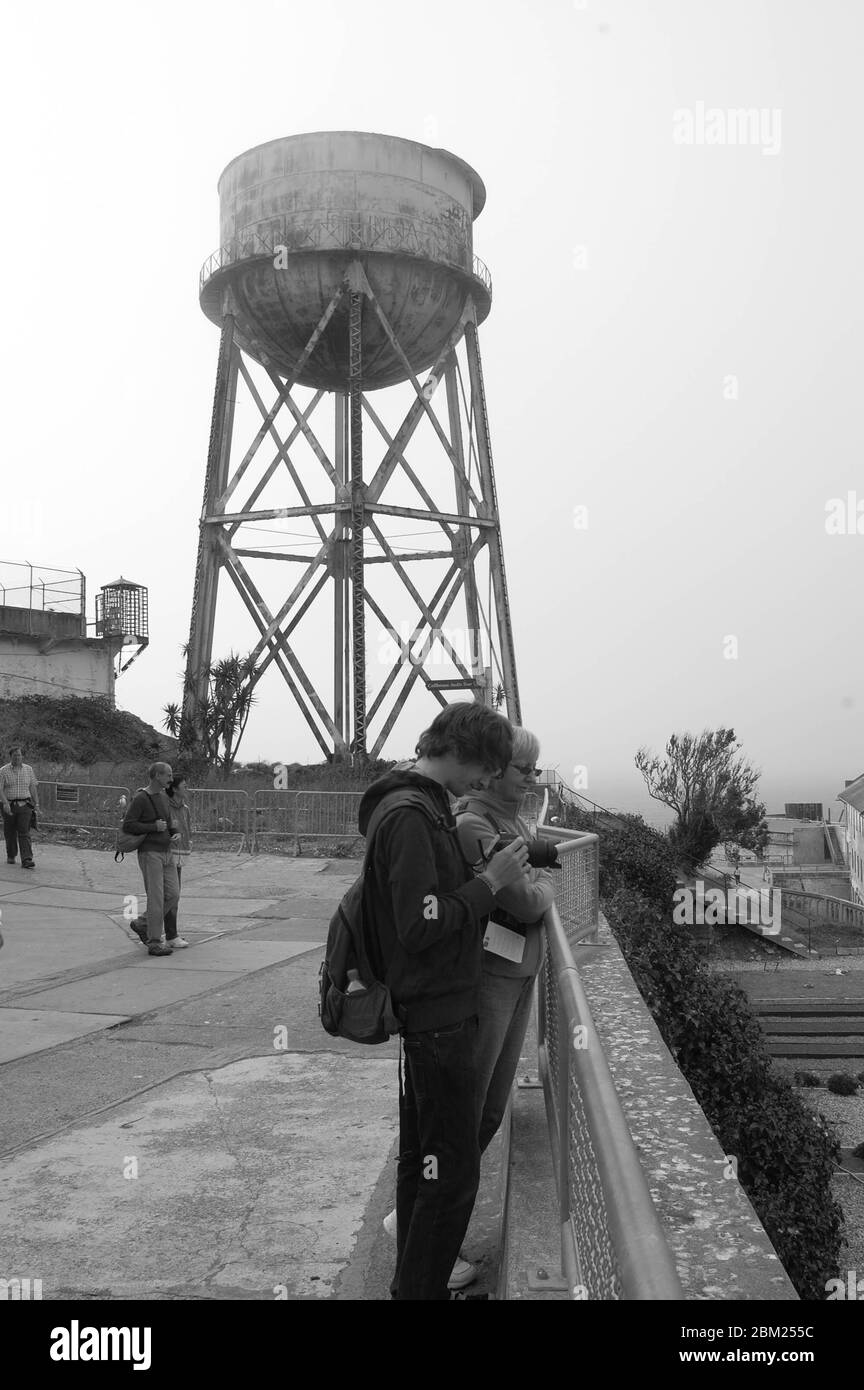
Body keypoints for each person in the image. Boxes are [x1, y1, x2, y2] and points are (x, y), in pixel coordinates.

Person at [358, 702, 529, 1301]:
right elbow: (420, 924)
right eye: (485, 768)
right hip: (436, 1018)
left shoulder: (421, 807)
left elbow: (432, 900)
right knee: (449, 1175)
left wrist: (521, 862)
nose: (485, 782)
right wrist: (490, 886)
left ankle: (412, 1288)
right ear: (461, 752)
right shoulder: (410, 816)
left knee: (423, 1164)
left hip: (434, 1014)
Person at [453, 728, 556, 1154]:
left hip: (518, 973)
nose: (532, 778)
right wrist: (547, 878)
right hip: (491, 978)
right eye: (523, 769)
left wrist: (536, 878)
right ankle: (420, 1210)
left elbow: (529, 888)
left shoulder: (511, 819)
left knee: (492, 1107)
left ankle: (451, 1201)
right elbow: (530, 904)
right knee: (470, 1103)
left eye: (535, 769)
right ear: (494, 770)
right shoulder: (474, 823)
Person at [122, 763, 180, 957]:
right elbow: (129, 825)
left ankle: (144, 923)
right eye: (168, 775)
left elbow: (170, 819)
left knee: (173, 894)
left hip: (167, 851)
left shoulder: (164, 796)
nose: (171, 779)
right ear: (156, 776)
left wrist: (175, 832)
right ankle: (154, 942)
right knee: (156, 898)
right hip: (150, 852)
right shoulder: (140, 798)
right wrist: (152, 827)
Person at [162, 775, 191, 949]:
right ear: (174, 788)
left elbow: (187, 830)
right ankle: (169, 934)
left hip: (180, 856)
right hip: (167, 854)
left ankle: (170, 933)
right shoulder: (165, 806)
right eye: (184, 786)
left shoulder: (185, 809)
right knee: (171, 895)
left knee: (174, 896)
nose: (187, 789)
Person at [1, 746, 40, 869]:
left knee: (24, 831)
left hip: (25, 805)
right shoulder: (3, 771)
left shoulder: (28, 769)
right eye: (15, 755)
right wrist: (6, 803)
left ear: (22, 756)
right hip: (9, 805)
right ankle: (11, 854)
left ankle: (27, 859)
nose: (17, 757)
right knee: (10, 831)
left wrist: (37, 804)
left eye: (19, 755)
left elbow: (33, 787)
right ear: (11, 756)